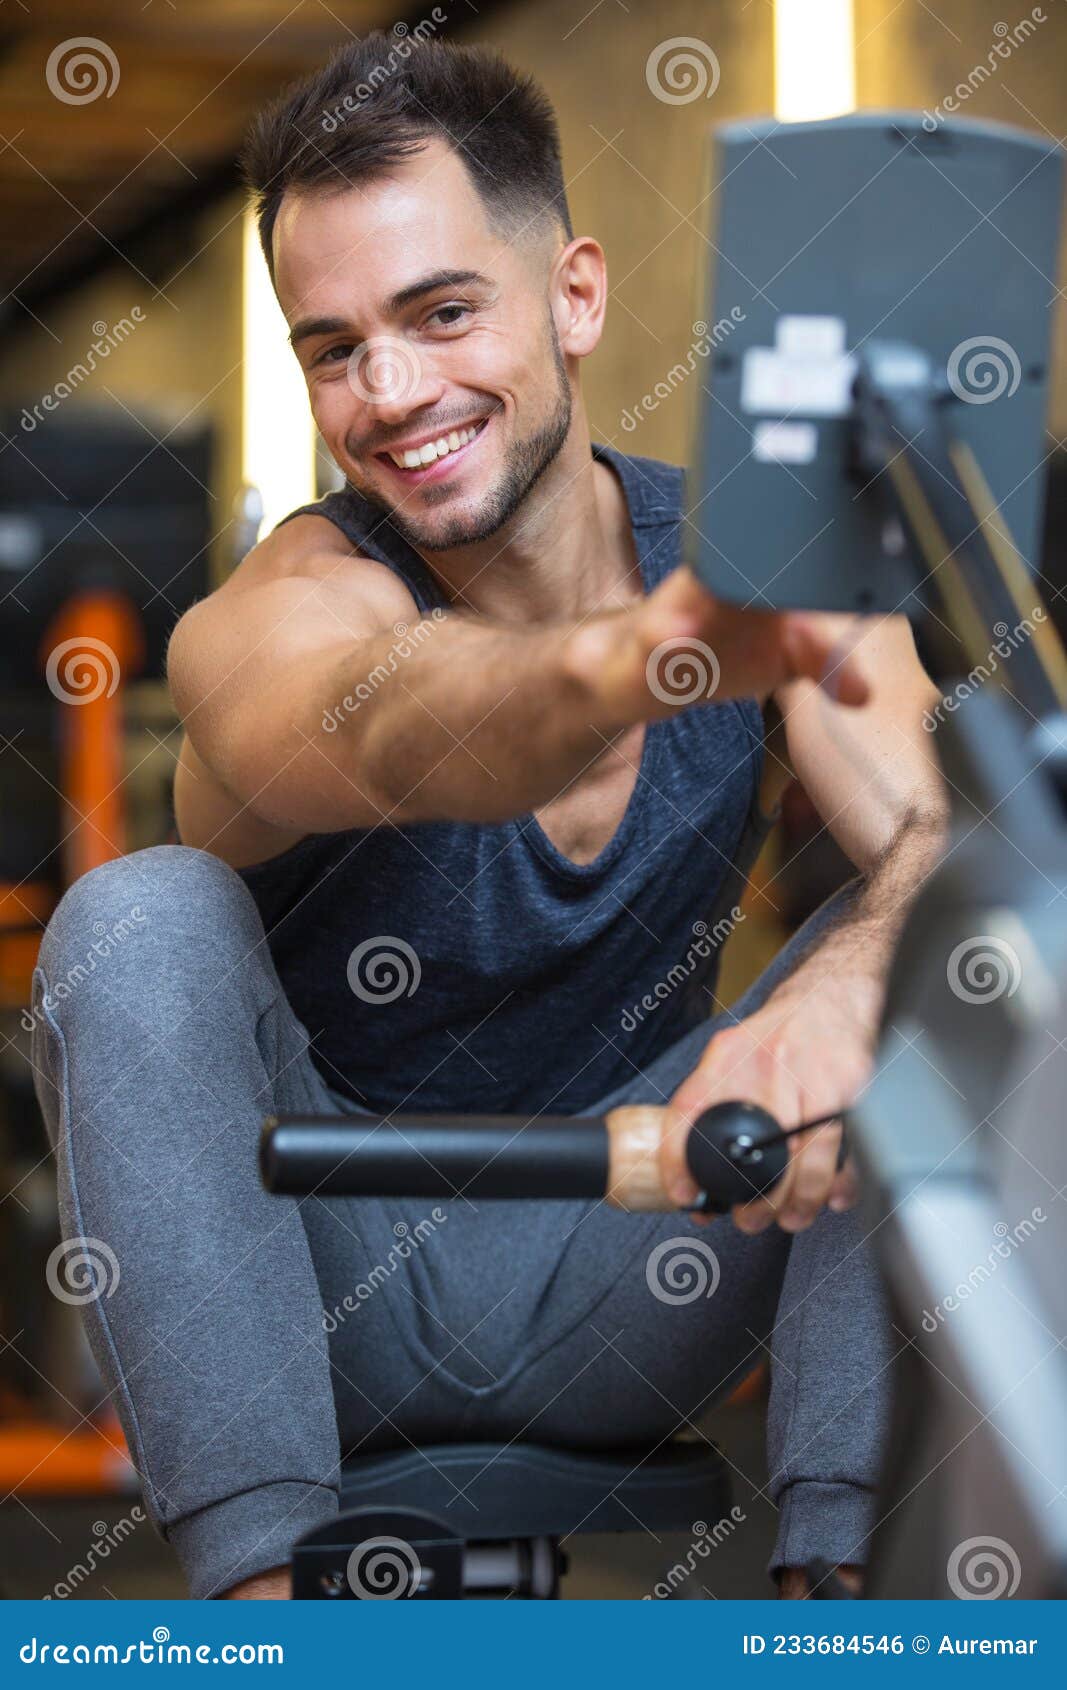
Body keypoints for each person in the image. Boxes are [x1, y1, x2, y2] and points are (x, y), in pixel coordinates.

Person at [32, 34, 947, 1600]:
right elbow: (388, 726)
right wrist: (624, 662)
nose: (390, 395)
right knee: (136, 912)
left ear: (575, 296)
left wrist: (860, 983)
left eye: (442, 314)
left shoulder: (767, 555)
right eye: (334, 350)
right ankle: (272, 1617)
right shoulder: (288, 606)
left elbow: (943, 844)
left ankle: (837, 1603)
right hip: (309, 1307)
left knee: (951, 946)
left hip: (638, 1256)